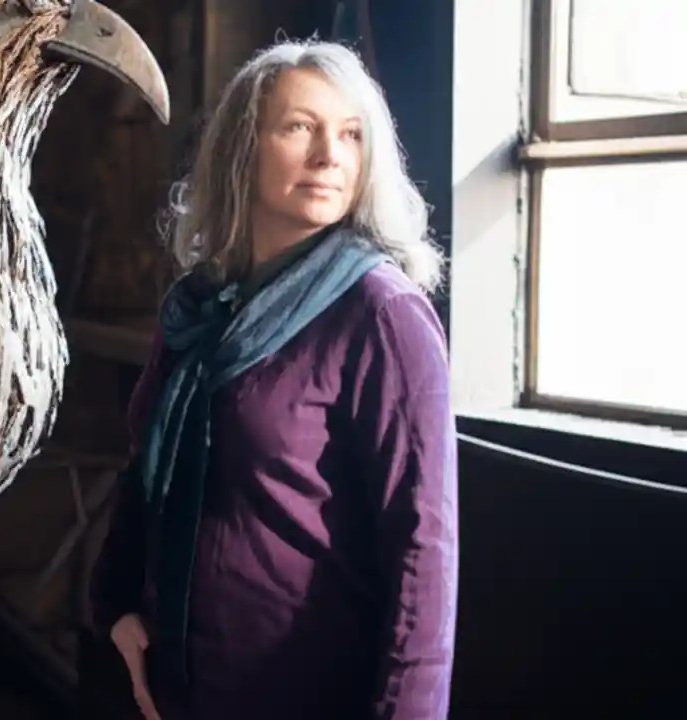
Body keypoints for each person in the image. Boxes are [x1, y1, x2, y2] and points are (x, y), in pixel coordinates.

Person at [89, 39, 458, 719]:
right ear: (243, 147)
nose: (329, 156)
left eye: (350, 135)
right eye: (299, 127)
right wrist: (116, 608)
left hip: (307, 690)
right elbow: (147, 471)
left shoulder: (382, 315)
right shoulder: (201, 307)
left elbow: (423, 549)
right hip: (178, 686)